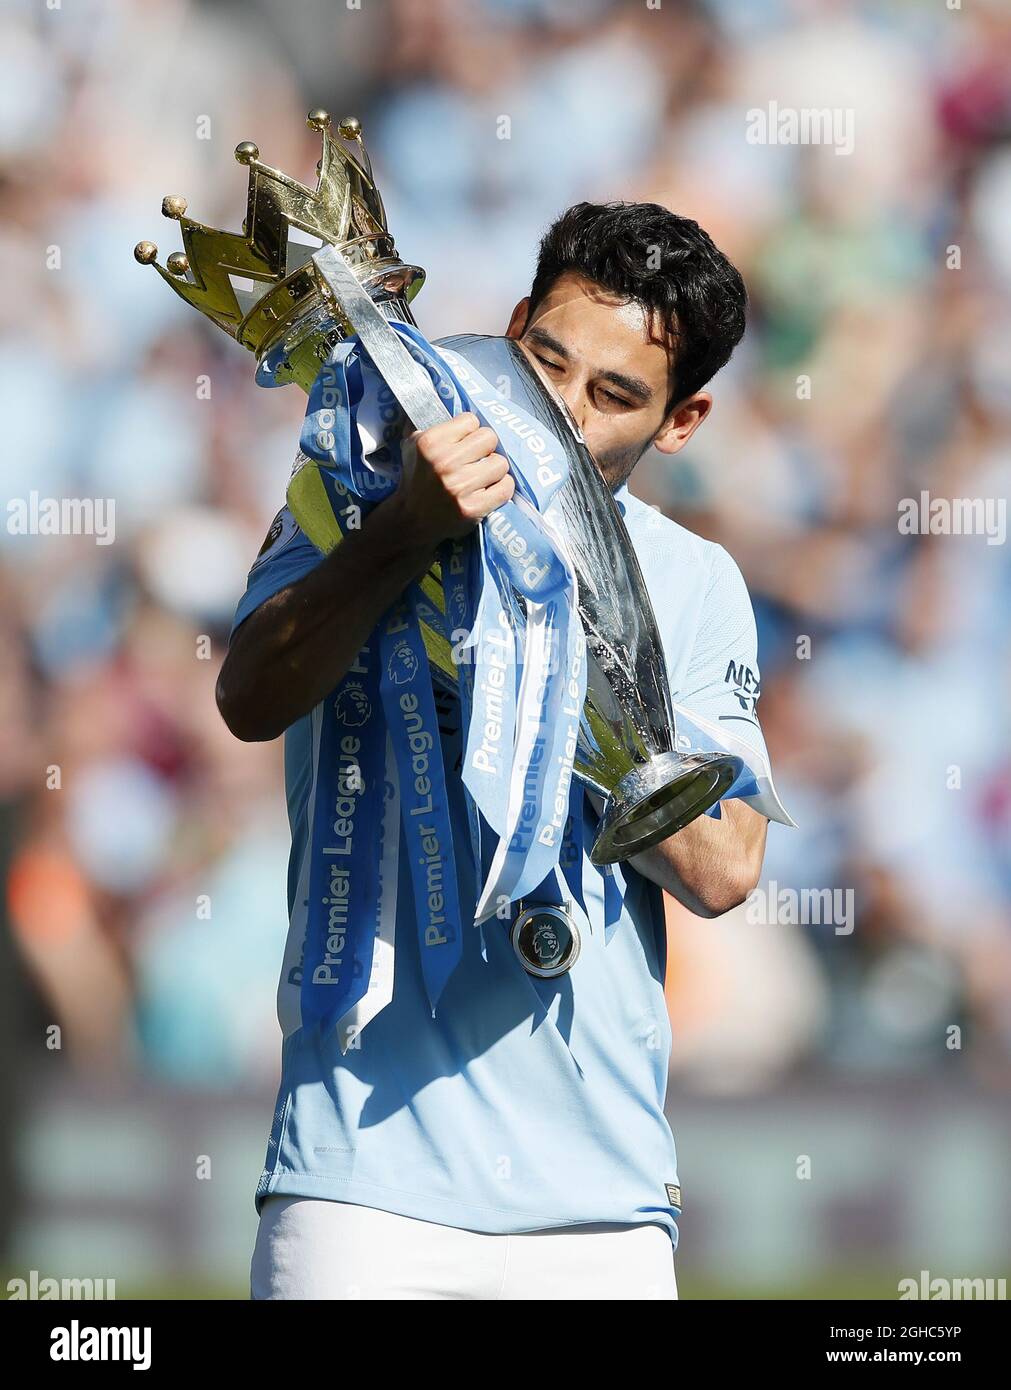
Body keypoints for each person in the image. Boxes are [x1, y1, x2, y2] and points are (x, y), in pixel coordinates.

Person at [217, 202, 771, 1300]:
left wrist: (555, 656)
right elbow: (249, 694)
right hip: (357, 1180)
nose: (563, 413)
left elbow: (723, 866)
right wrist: (404, 536)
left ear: (683, 420)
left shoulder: (695, 579)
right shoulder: (355, 492)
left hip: (596, 1203)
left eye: (614, 396)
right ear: (514, 325)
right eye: (546, 363)